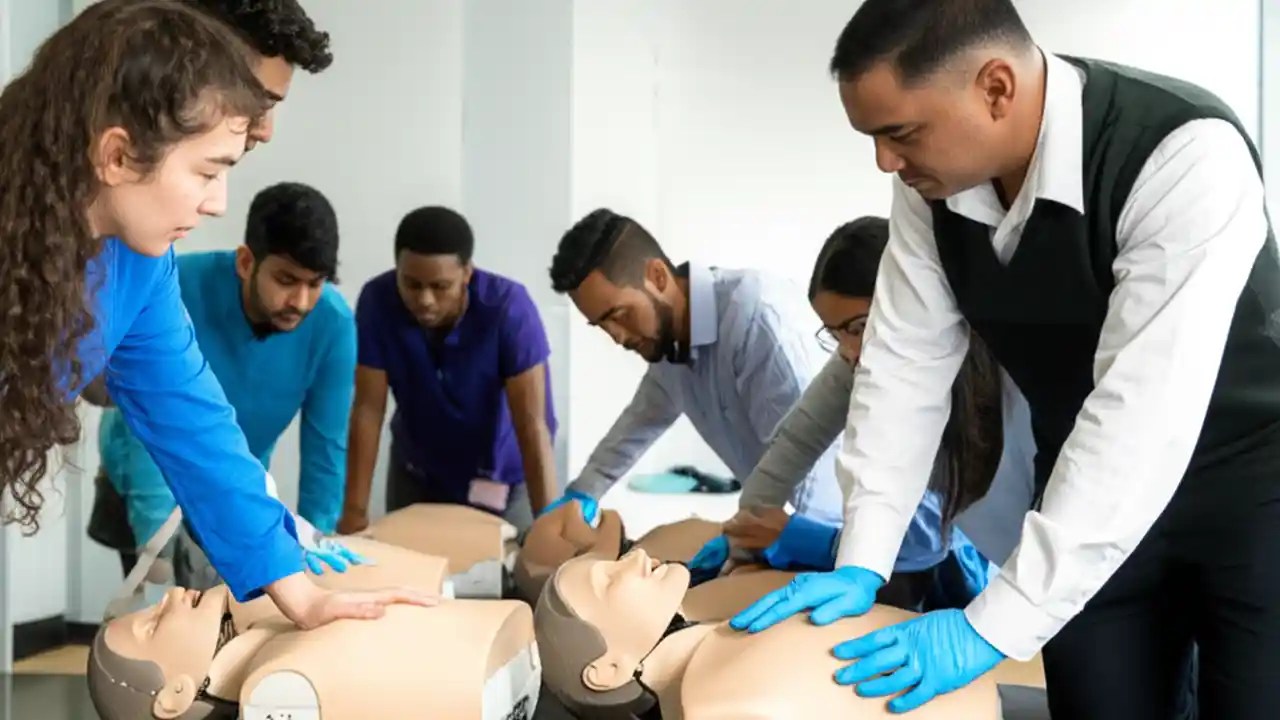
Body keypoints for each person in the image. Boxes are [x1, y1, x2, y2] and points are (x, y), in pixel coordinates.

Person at [733, 1, 1277, 717]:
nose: (884, 163)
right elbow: (902, 367)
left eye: (900, 134)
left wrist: (990, 625)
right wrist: (863, 556)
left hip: (1250, 489)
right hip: (1080, 475)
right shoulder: (931, 190)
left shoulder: (1183, 152)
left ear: (995, 88)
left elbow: (1142, 420)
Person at [0, 0, 423, 629]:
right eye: (208, 171)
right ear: (116, 155)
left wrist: (296, 588)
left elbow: (193, 420)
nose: (219, 205)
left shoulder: (144, 264)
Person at [539, 208, 963, 595]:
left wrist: (795, 543)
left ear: (657, 277)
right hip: (840, 541)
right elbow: (791, 441)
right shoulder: (668, 347)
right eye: (601, 326)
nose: (616, 336)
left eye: (618, 315)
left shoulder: (755, 318)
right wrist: (582, 494)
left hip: (882, 550)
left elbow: (826, 479)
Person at [701, 217, 1035, 610]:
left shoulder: (992, 379)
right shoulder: (856, 358)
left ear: (905, 306)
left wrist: (812, 541)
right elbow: (794, 442)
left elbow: (923, 531)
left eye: (857, 327)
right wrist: (745, 535)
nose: (848, 351)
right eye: (834, 333)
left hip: (1011, 560)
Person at [90, 182, 358, 587]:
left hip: (234, 480)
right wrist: (158, 546)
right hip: (143, 465)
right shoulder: (174, 287)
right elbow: (145, 422)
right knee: (161, 597)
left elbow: (326, 448)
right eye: (286, 280)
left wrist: (314, 538)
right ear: (246, 262)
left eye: (315, 283)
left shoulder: (333, 324)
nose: (301, 301)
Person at [533, 549, 1001, 719]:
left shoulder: (721, 627)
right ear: (609, 667)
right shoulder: (721, 707)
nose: (635, 557)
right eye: (611, 581)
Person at [339, 207, 557, 535]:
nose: (424, 299)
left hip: (504, 474)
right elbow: (368, 410)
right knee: (408, 570)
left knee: (516, 572)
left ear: (467, 274)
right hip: (419, 470)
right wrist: (354, 516)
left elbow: (531, 424)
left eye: (440, 286)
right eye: (411, 284)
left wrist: (549, 527)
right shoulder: (377, 301)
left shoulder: (509, 308)